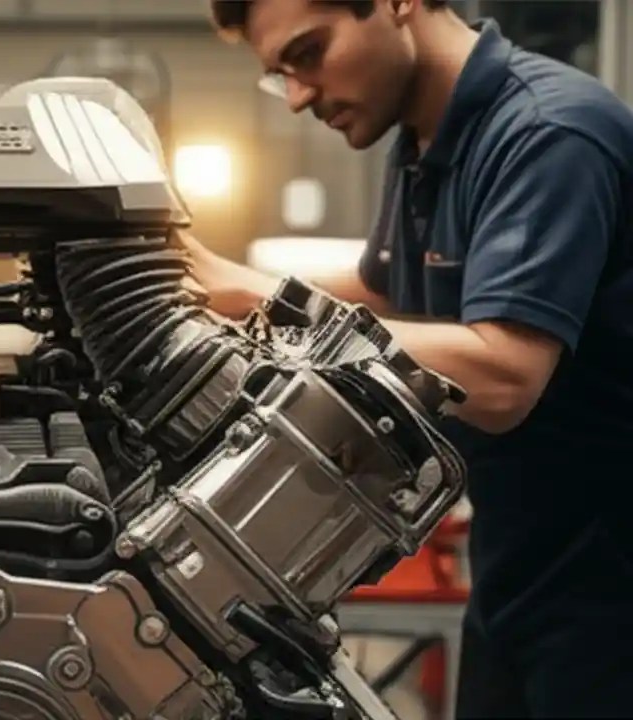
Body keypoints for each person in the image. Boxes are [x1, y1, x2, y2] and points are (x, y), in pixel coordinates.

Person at [181, 1, 633, 717]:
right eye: (280, 75)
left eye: (308, 53)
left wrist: (257, 295)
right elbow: (389, 288)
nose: (298, 96)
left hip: (609, 583)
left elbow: (504, 374)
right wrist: (201, 286)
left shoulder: (550, 132)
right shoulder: (427, 136)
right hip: (523, 562)